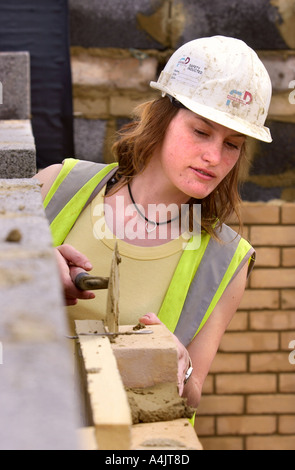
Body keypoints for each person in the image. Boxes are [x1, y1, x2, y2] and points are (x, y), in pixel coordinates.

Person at [34, 36, 272, 411]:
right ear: (162, 120)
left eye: (232, 144)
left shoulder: (226, 262)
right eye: (201, 131)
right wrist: (21, 266)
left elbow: (192, 397)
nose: (213, 156)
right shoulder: (55, 186)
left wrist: (179, 367)